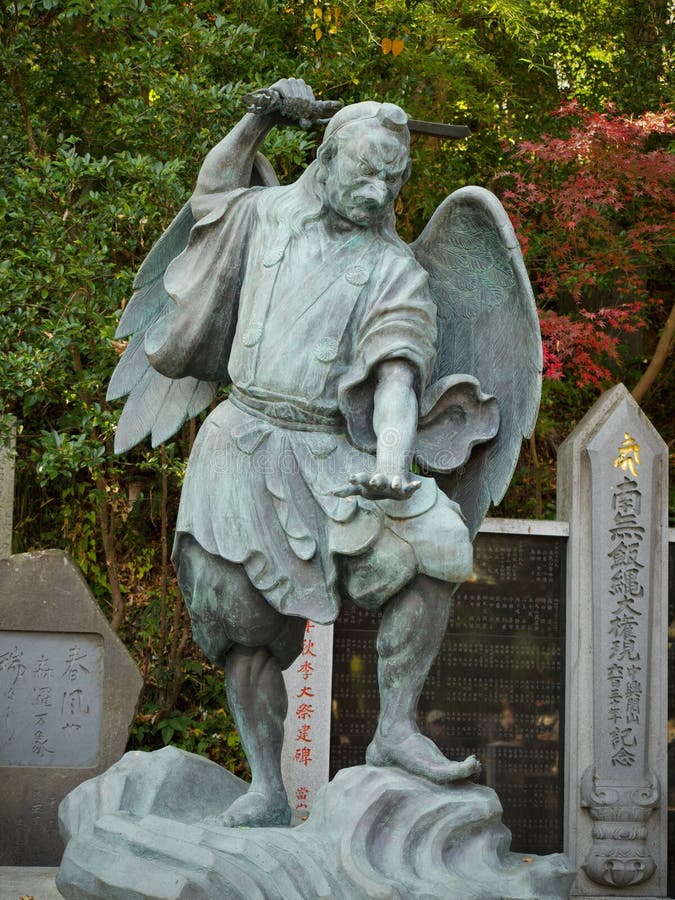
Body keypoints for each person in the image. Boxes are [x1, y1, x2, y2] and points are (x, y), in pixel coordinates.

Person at [144, 78, 482, 827]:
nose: (377, 188)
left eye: (391, 176)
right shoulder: (262, 218)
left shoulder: (395, 269)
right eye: (363, 169)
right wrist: (258, 116)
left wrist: (394, 458)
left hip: (332, 452)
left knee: (434, 544)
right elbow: (212, 190)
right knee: (240, 623)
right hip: (240, 442)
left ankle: (396, 727)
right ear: (325, 158)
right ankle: (266, 786)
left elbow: (398, 373)